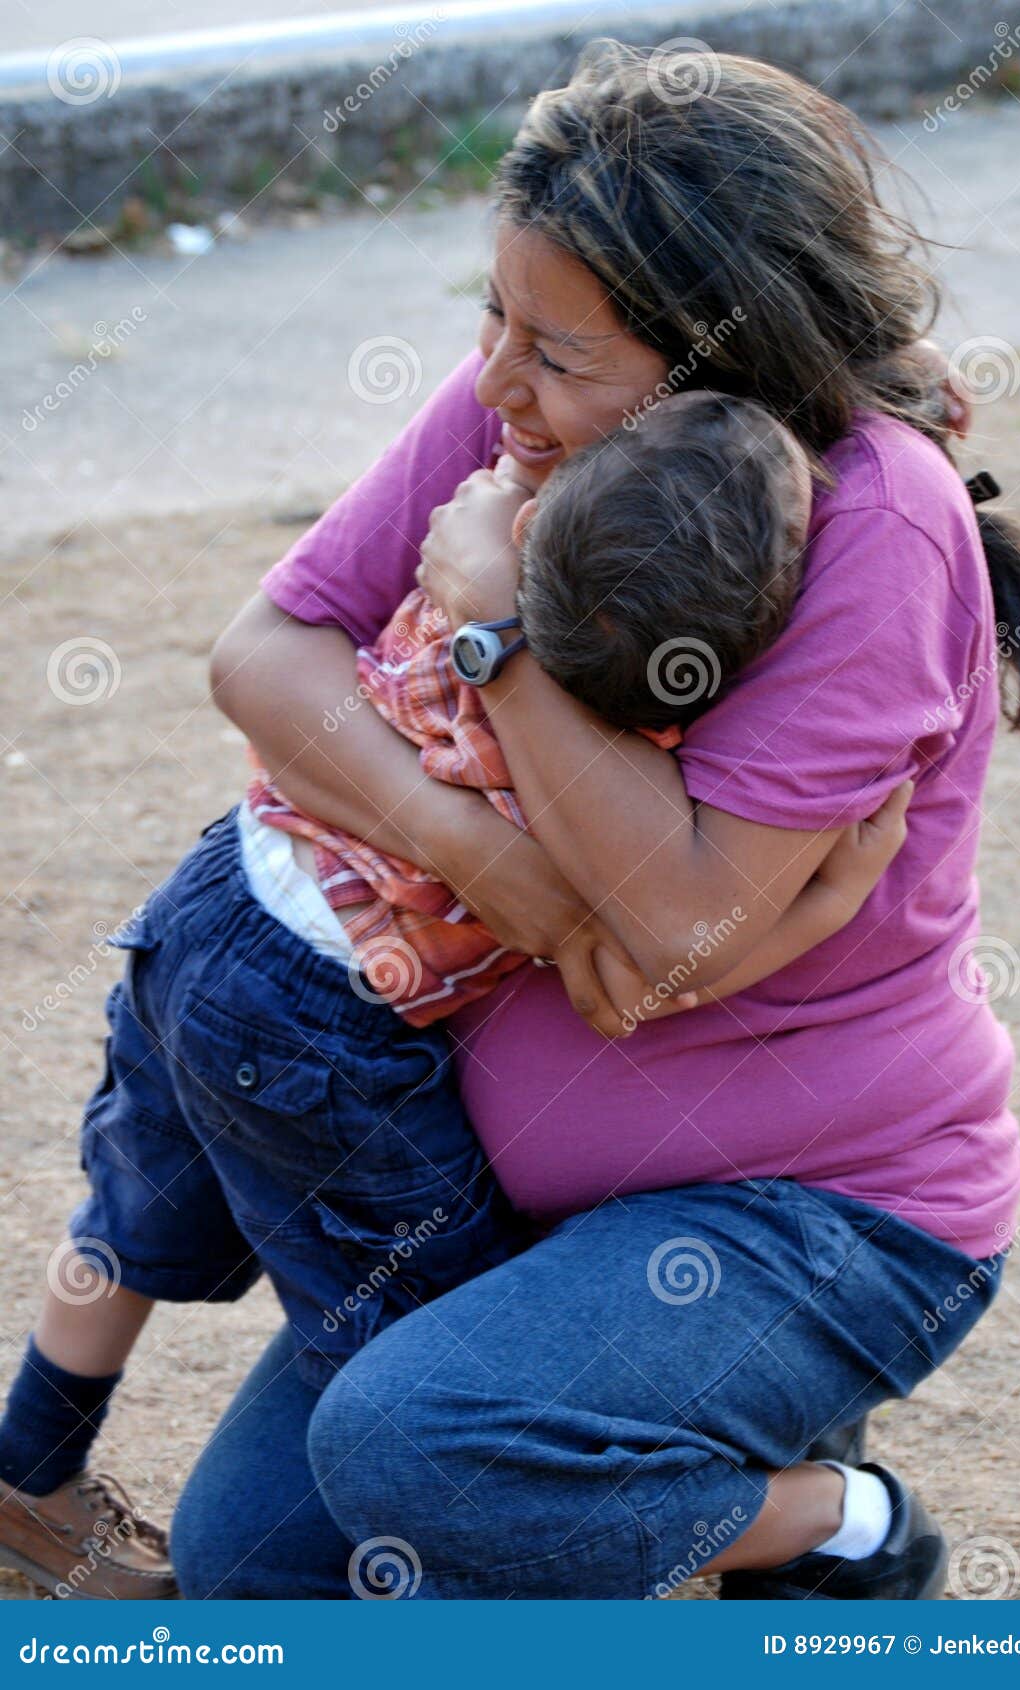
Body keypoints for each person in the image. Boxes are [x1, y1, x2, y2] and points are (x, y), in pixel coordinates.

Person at [167, 42, 1020, 1600]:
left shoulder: (874, 522)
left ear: (719, 356)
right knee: (252, 1572)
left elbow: (670, 931)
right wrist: (486, 862)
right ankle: (661, 1448)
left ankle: (843, 1525)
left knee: (420, 1450)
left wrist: (496, 632)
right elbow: (262, 654)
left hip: (816, 1206)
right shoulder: (539, 398)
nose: (498, 381)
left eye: (555, 349)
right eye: (491, 320)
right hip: (519, 1189)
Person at [0, 387, 903, 1600]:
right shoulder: (611, 757)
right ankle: (760, 1528)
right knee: (428, 1370)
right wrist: (825, 900)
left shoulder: (473, 579)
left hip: (221, 893)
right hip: (319, 1015)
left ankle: (25, 1472)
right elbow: (630, 976)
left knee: (141, 1205)